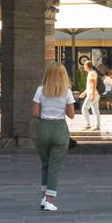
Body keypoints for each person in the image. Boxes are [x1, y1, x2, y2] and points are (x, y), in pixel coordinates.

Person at [32, 61, 75, 211]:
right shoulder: (67, 92)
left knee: (45, 164)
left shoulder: (40, 90)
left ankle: (44, 196)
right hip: (59, 129)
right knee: (54, 166)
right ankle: (49, 200)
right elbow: (71, 115)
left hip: (43, 128)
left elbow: (35, 113)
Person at [78, 59, 100, 130]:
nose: (84, 67)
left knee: (84, 108)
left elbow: (93, 84)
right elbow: (90, 85)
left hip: (92, 94)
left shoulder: (91, 73)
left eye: (84, 65)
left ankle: (88, 124)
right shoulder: (91, 73)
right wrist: (84, 93)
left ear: (87, 66)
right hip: (94, 93)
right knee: (95, 110)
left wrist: (92, 94)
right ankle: (97, 126)